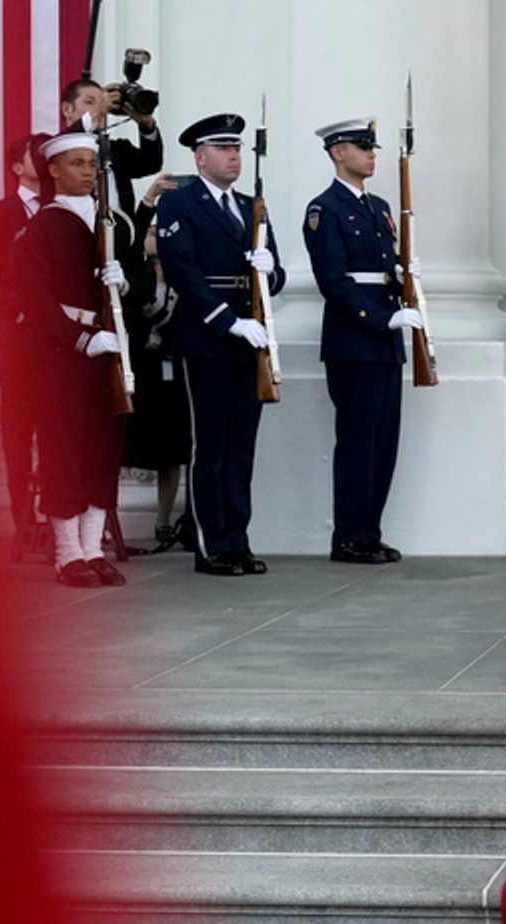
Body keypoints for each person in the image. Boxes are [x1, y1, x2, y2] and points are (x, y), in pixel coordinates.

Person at [153, 112, 287, 576]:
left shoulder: (253, 206)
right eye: (224, 149)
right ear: (200, 156)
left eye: (237, 149)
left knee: (240, 446)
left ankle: (237, 540)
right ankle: (210, 545)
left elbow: (280, 275)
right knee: (209, 446)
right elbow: (184, 273)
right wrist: (229, 321)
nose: (234, 156)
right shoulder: (179, 205)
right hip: (209, 337)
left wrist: (269, 268)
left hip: (251, 339)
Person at [13, 129, 135, 588]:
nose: (87, 172)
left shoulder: (112, 223)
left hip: (109, 347)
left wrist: (123, 282)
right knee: (64, 449)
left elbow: (140, 287)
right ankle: (67, 554)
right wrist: (80, 339)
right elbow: (37, 298)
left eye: (92, 164)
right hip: (62, 355)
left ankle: (92, 547)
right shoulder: (42, 226)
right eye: (78, 164)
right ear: (54, 170)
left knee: (101, 448)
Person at [302, 119, 426, 564]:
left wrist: (400, 277)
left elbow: (386, 264)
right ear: (338, 152)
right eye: (362, 147)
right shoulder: (324, 209)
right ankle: (349, 536)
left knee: (383, 442)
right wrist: (383, 318)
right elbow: (334, 282)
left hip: (384, 338)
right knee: (357, 442)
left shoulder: (380, 207)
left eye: (373, 147)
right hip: (355, 338)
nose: (371, 154)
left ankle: (369, 531)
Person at [0, 133, 49, 557]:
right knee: (18, 431)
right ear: (16, 167)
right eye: (34, 155)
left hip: (57, 339)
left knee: (57, 429)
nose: (43, 161)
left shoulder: (62, 212)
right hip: (17, 335)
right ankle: (22, 520)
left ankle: (58, 517)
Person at [120, 173, 192, 551]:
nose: (156, 239)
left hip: (174, 371)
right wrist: (147, 200)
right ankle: (111, 522)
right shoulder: (136, 277)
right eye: (152, 233)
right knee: (127, 443)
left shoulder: (185, 276)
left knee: (174, 448)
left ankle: (165, 520)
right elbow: (132, 241)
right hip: (141, 371)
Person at [60, 76, 163, 215]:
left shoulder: (117, 149)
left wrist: (147, 126)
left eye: (102, 103)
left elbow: (151, 164)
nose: (101, 108)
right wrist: (96, 112)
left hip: (119, 233)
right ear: (67, 109)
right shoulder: (53, 148)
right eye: (90, 102)